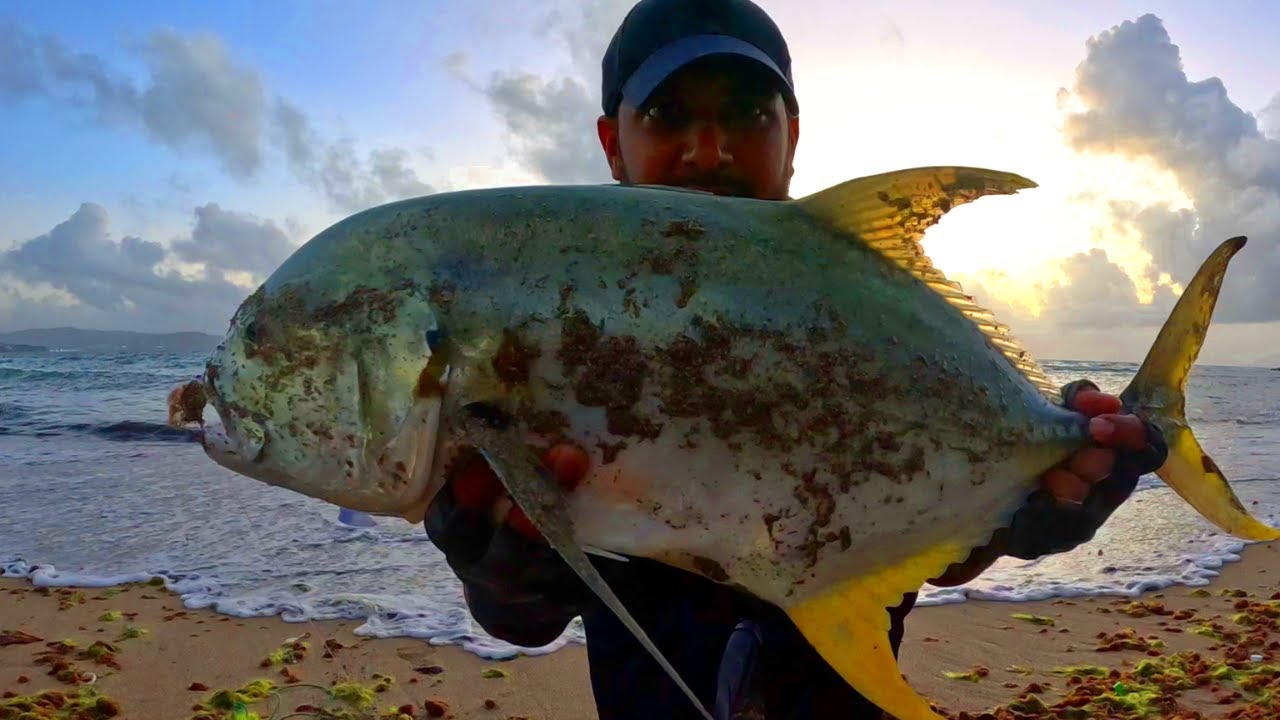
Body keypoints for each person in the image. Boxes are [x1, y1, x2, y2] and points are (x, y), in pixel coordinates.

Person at [425, 1, 1170, 718]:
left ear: (793, 135)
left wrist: (1022, 510)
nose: (708, 151)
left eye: (749, 114)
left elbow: (932, 560)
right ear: (612, 142)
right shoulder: (558, 330)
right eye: (668, 114)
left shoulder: (870, 317)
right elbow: (525, 622)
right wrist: (502, 579)